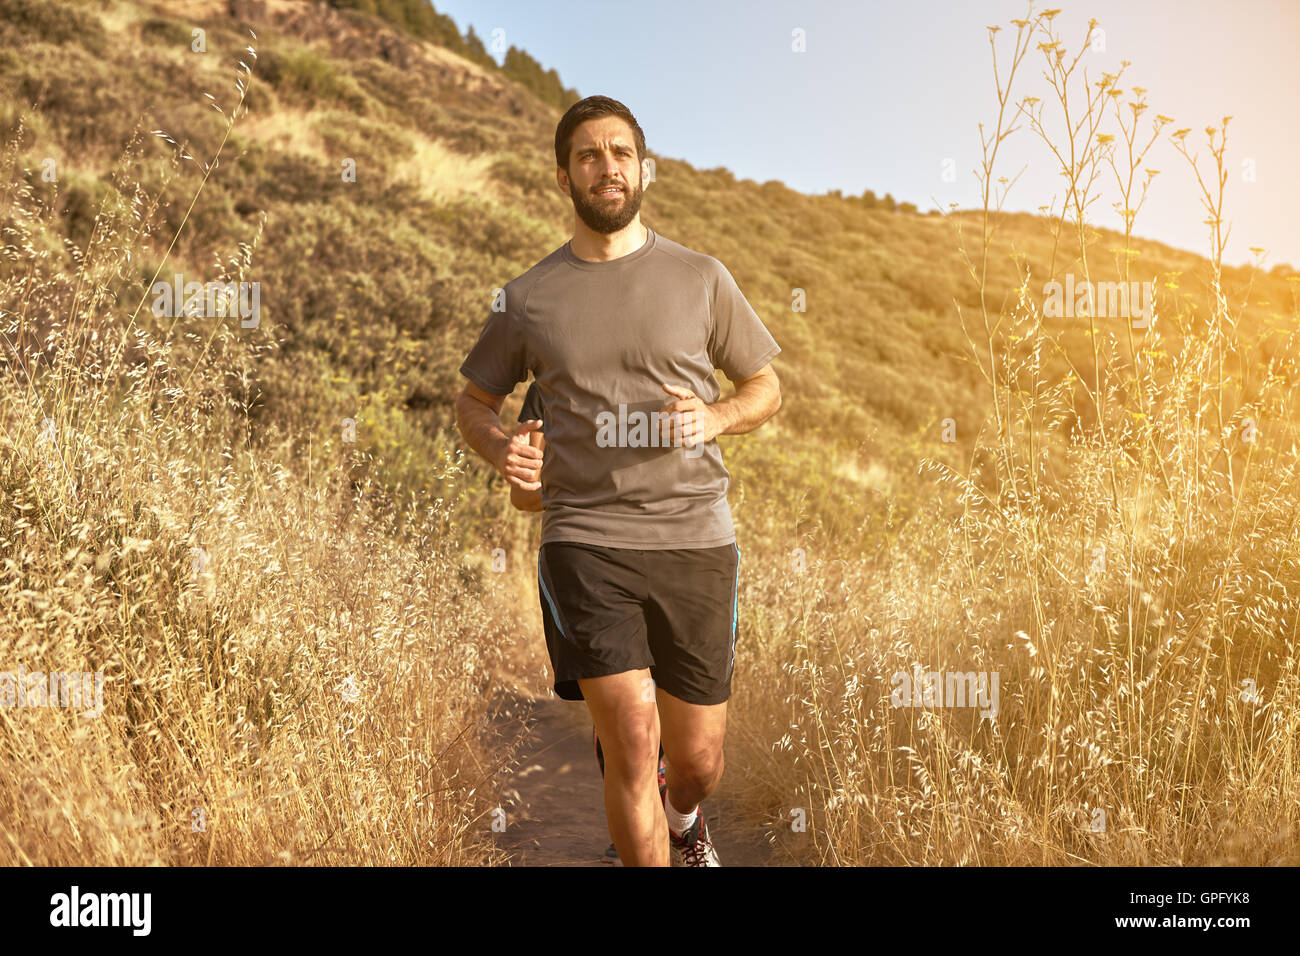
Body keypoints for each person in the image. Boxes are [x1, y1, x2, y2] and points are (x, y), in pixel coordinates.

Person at [456, 95, 782, 866]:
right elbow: (473, 402)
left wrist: (716, 418)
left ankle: (683, 818)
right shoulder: (529, 296)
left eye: (621, 153)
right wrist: (501, 448)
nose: (608, 167)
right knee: (631, 741)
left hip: (696, 539)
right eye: (589, 156)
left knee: (697, 760)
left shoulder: (701, 278)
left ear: (646, 169)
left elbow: (765, 387)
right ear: (563, 179)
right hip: (585, 541)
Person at [510, 380, 667, 866]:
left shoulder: (664, 364)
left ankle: (683, 817)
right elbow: (526, 497)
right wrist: (565, 480)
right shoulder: (547, 389)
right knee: (627, 721)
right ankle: (638, 832)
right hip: (588, 561)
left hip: (675, 555)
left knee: (686, 731)